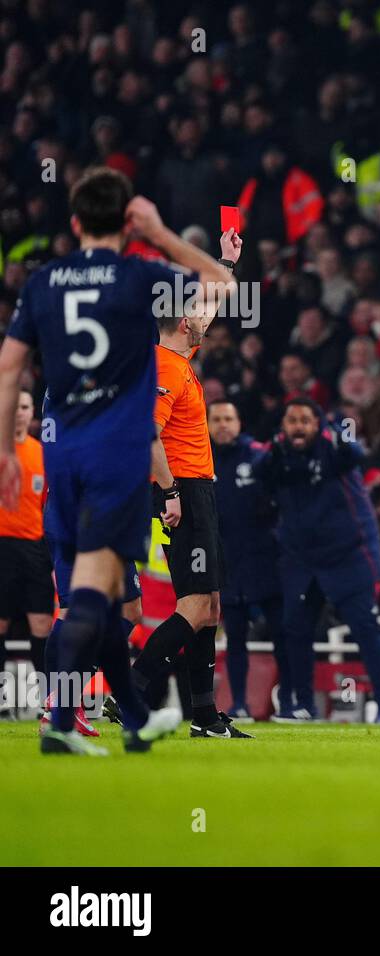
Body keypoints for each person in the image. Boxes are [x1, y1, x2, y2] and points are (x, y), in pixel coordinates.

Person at [0, 168, 219, 754]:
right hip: (113, 457)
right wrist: (162, 233)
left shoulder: (44, 280)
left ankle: (133, 717)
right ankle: (63, 721)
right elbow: (217, 279)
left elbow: (8, 365)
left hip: (61, 458)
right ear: (127, 223)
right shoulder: (138, 274)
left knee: (107, 595)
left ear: (74, 223)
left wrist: (4, 451)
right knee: (96, 596)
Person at [124, 226, 252, 739]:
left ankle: (204, 715)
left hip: (197, 489)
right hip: (183, 491)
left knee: (209, 606)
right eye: (197, 319)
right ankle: (128, 690)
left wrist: (226, 263)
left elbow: (208, 302)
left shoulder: (177, 359)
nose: (206, 323)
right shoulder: (165, 367)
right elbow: (147, 434)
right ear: (182, 323)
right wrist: (172, 493)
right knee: (195, 605)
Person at [254, 397, 380, 722]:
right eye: (292, 420)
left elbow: (355, 454)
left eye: (306, 420)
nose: (298, 426)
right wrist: (275, 448)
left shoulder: (334, 450)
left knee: (364, 629)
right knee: (295, 630)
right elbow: (259, 473)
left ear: (318, 425)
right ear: (283, 427)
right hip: (301, 557)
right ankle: (303, 704)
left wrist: (336, 433)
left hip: (347, 553)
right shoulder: (278, 456)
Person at [209, 400, 286, 721]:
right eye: (217, 419)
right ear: (208, 424)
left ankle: (292, 701)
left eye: (229, 418)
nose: (223, 425)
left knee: (283, 635)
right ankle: (238, 703)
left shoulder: (258, 456)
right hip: (228, 564)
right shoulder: (202, 457)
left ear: (239, 422)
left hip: (265, 562)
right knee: (235, 639)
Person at [0, 391, 54, 716]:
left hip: (34, 550)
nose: (19, 413)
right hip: (1, 546)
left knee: (42, 624)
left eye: (24, 407)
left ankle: (50, 703)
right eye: (14, 406)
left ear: (32, 411)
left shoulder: (41, 454)